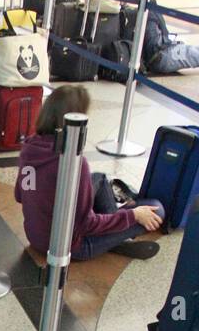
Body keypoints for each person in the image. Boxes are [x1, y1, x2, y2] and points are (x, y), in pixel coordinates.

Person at [17, 85, 165, 261]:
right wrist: (133, 215)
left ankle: (112, 235)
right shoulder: (74, 163)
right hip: (70, 247)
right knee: (157, 209)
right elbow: (86, 224)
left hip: (35, 237)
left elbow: (20, 195)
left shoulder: (30, 147)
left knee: (100, 179)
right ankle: (114, 239)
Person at [142, 3, 199, 76]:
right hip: (162, 56)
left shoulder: (135, 14)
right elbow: (154, 43)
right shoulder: (147, 10)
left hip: (162, 53)